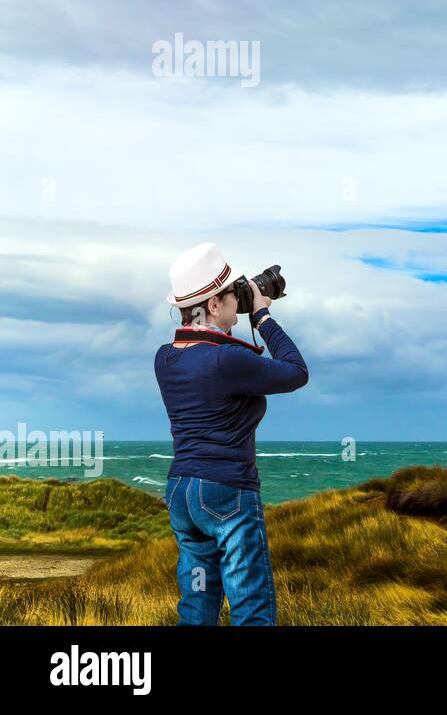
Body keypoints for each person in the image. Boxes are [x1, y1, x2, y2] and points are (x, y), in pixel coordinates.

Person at [156, 242, 308, 625]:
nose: (235, 300)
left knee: (197, 607)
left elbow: (200, 349)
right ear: (211, 304)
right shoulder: (228, 359)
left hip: (182, 492)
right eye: (230, 295)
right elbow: (295, 371)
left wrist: (238, 311)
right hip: (228, 492)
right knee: (251, 608)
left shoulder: (165, 357)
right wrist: (263, 318)